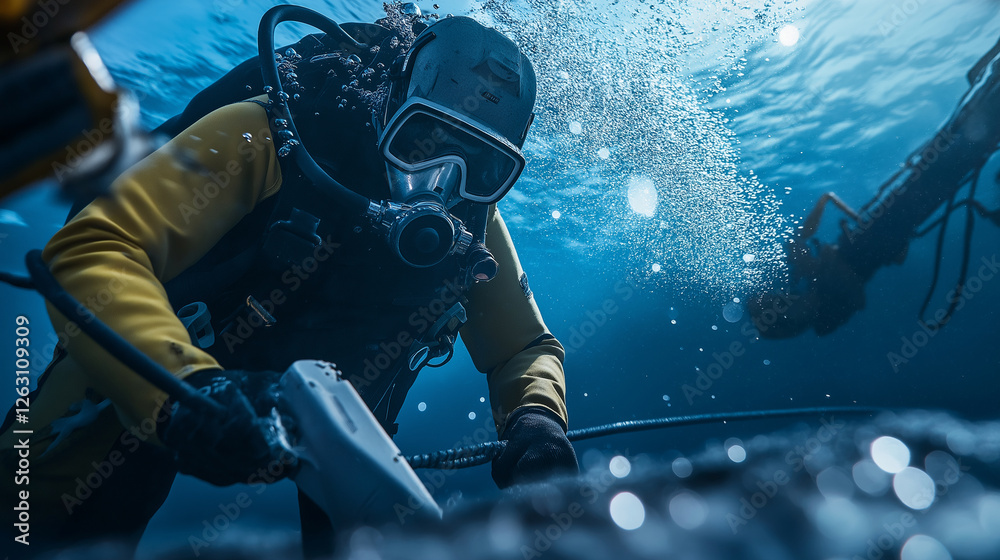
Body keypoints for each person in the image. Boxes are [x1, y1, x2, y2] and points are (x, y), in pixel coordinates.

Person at [0, 10, 578, 556]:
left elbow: (523, 348)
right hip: (151, 379)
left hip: (344, 432)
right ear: (389, 101)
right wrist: (186, 391)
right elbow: (93, 247)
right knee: (40, 527)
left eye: (483, 167)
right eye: (421, 139)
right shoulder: (268, 134)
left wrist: (537, 421)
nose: (441, 183)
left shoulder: (472, 221)